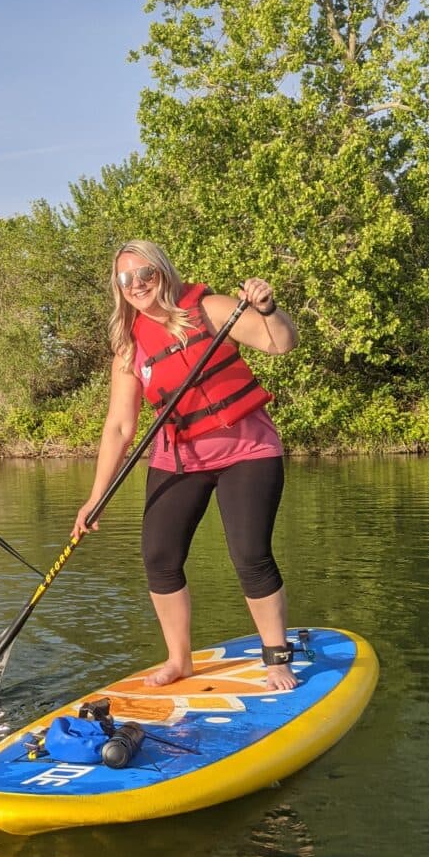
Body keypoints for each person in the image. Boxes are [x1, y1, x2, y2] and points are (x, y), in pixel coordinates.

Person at [73, 240, 299, 691]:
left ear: (162, 273)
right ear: (117, 288)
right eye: (125, 279)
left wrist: (270, 308)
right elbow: (119, 427)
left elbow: (281, 343)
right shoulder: (129, 347)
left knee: (249, 554)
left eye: (145, 274)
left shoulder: (212, 309)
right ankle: (180, 659)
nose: (136, 285)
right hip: (180, 457)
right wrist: (95, 496)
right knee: (159, 555)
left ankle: (276, 656)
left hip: (247, 450)